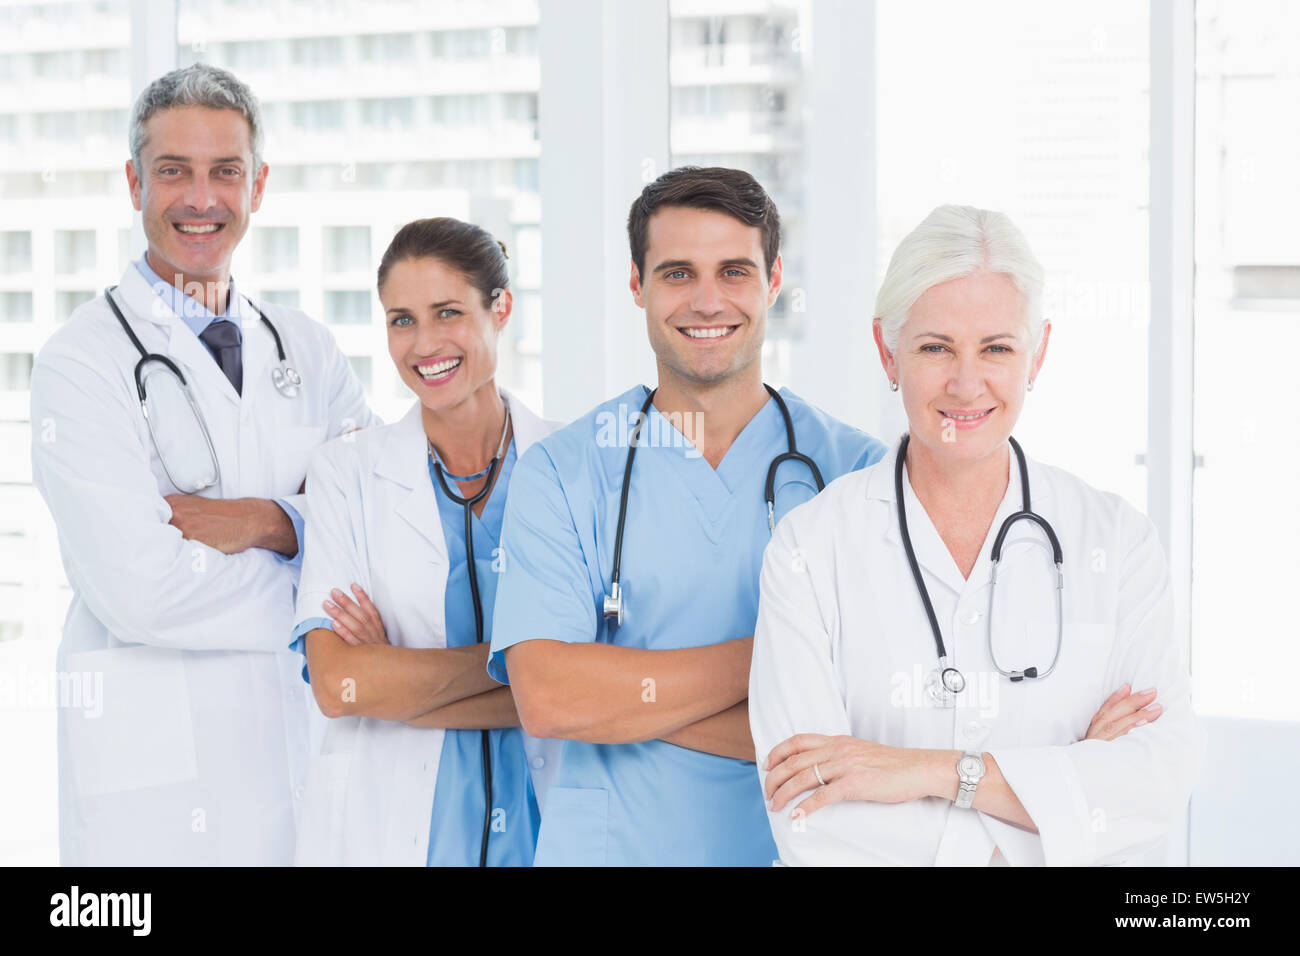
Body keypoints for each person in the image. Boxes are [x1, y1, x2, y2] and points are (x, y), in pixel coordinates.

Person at [750, 204, 1205, 866]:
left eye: (997, 348)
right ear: (888, 351)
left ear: (1037, 354)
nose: (967, 384)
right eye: (935, 347)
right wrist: (1057, 791)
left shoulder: (1117, 541)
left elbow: (1155, 783)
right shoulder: (810, 549)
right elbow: (807, 808)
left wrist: (933, 772)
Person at [486, 166, 888, 866]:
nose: (707, 301)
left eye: (733, 271)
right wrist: (783, 663)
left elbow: (874, 713)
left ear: (773, 280)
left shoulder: (856, 473)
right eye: (677, 273)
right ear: (637, 284)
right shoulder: (563, 470)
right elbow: (549, 698)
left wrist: (622, 706)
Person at [29, 63, 378, 866]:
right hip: (155, 804)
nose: (200, 197)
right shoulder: (81, 364)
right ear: (133, 182)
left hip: (301, 765)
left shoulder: (308, 350)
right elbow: (144, 589)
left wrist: (265, 521)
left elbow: (381, 520)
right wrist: (318, 588)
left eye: (225, 171)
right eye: (173, 171)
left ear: (258, 184)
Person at [289, 218, 559, 866]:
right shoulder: (346, 473)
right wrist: (533, 669)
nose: (424, 343)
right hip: (395, 833)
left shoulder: (575, 467)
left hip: (546, 826)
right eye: (401, 319)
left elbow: (593, 692)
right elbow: (341, 686)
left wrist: (400, 679)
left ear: (503, 308)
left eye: (448, 312)